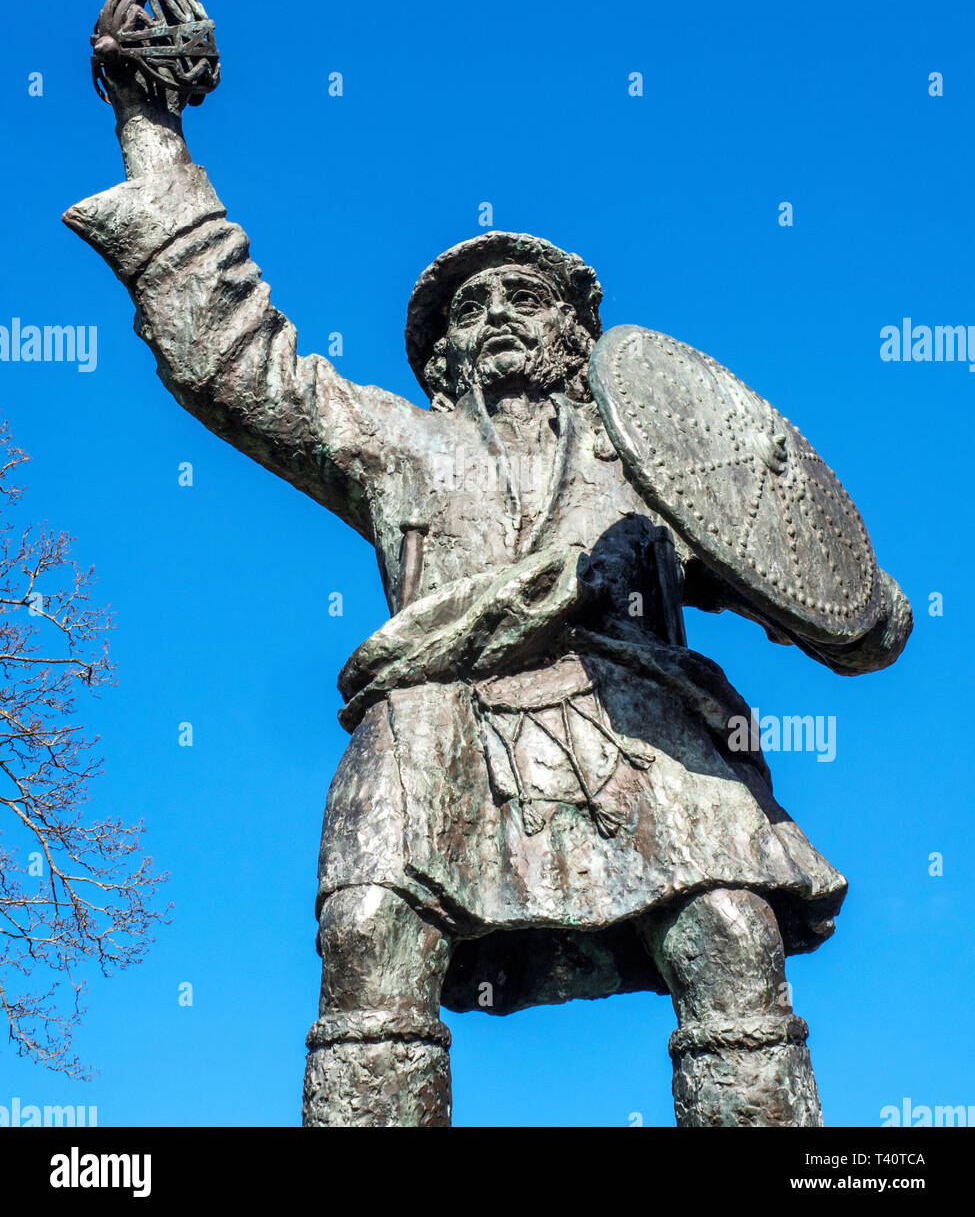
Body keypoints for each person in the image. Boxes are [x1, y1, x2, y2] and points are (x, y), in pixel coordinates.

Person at [64, 61, 911, 1128]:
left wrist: (862, 606)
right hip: (437, 715)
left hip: (638, 724)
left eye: (527, 296)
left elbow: (803, 577)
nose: (501, 314)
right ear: (442, 353)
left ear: (577, 336)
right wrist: (153, 129)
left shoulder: (656, 472)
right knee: (370, 932)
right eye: (474, 306)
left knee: (731, 932)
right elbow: (238, 364)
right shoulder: (398, 445)